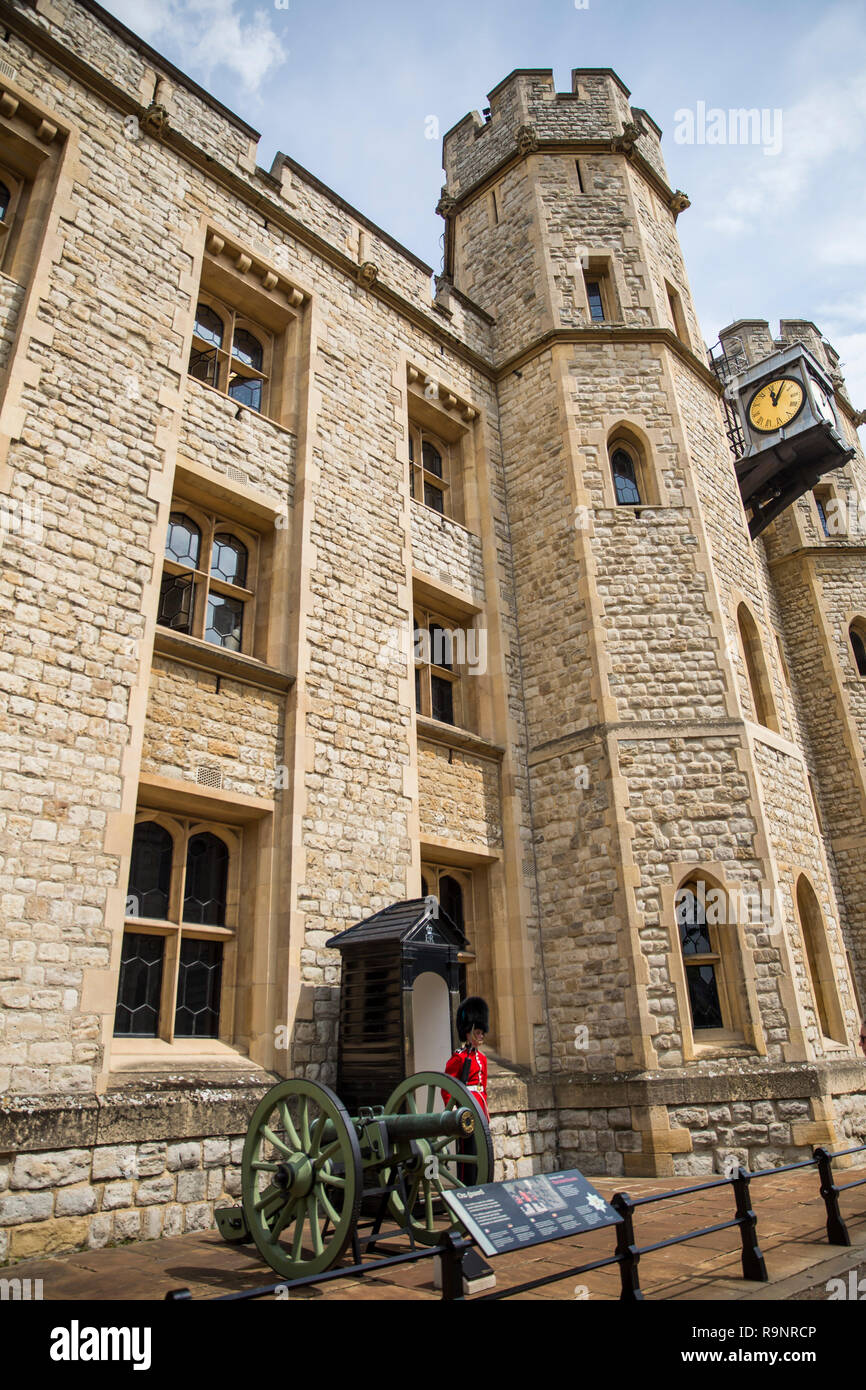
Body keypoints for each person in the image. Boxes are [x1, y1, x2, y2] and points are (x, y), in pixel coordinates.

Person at [443, 995, 489, 1120]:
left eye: (481, 1033)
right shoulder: (459, 1057)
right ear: (468, 1033)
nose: (481, 1036)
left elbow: (483, 1087)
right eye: (477, 1033)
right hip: (467, 1105)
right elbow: (448, 1086)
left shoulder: (482, 1058)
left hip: (481, 1107)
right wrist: (452, 1109)